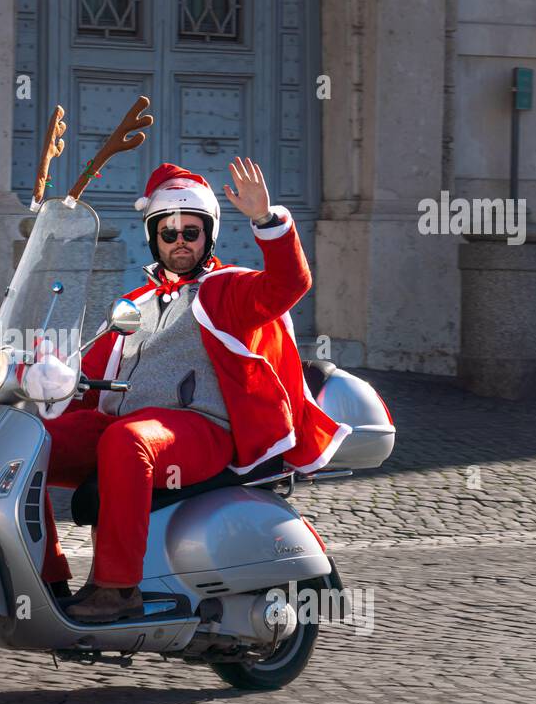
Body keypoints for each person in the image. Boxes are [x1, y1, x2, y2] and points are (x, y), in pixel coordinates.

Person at [41, 157, 351, 623]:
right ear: (154, 237)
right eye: (169, 232)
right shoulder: (135, 305)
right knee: (31, 442)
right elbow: (89, 373)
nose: (180, 240)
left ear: (208, 237)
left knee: (127, 441)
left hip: (202, 429)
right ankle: (44, 579)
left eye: (192, 231)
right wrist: (43, 377)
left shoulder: (225, 289)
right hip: (130, 425)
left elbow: (288, 284)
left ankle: (118, 590)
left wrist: (267, 220)